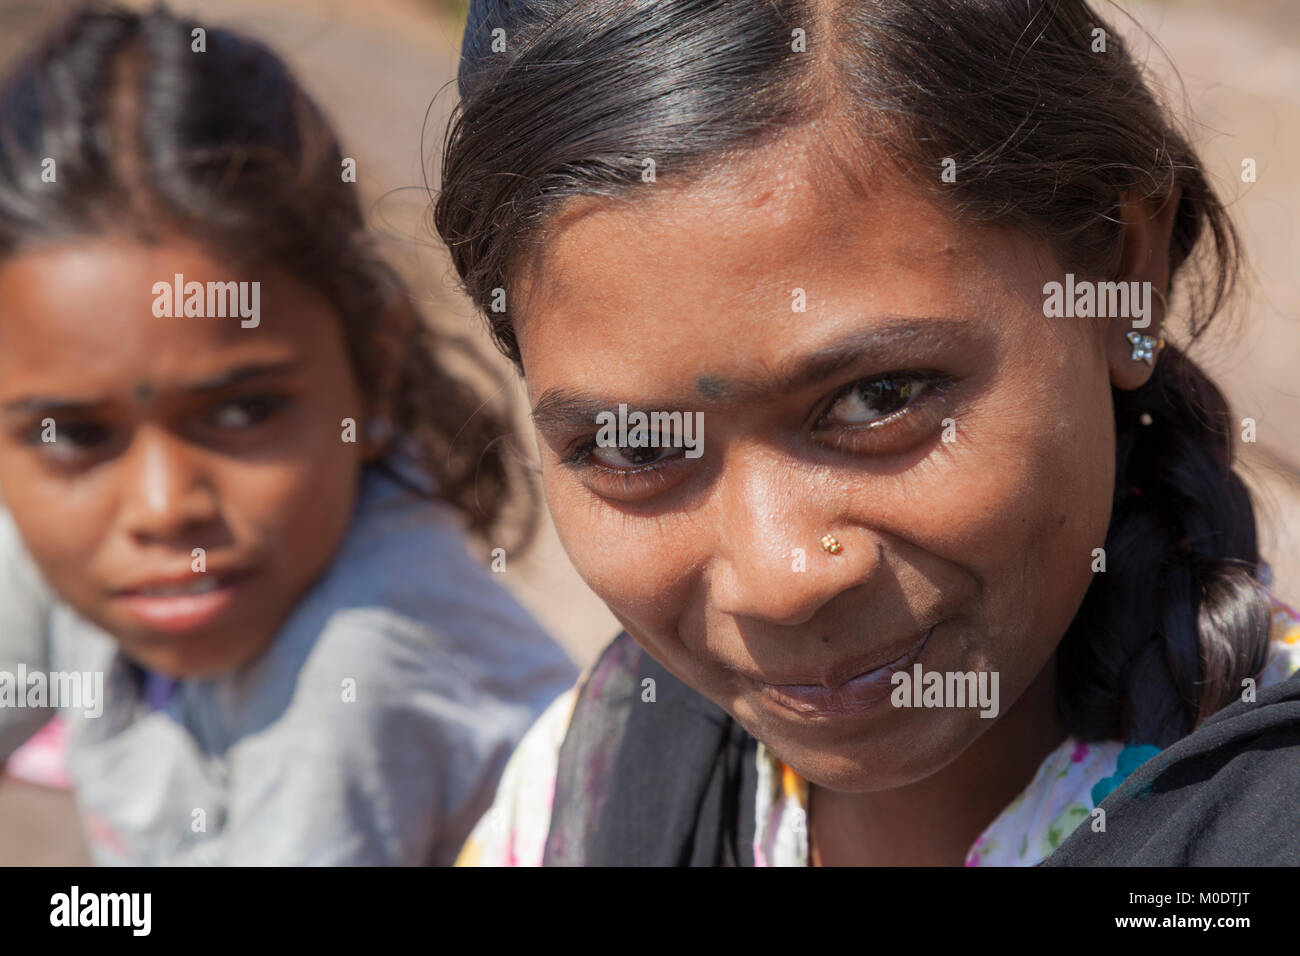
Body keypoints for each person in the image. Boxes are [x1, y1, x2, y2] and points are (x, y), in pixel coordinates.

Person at [436, 0, 1300, 866]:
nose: (779, 581)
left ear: (1122, 273)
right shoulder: (583, 789)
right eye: (635, 448)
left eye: (877, 398)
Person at [0, 5, 576, 865]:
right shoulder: (79, 538)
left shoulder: (355, 674)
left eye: (240, 412)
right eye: (72, 433)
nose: (164, 508)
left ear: (372, 369)